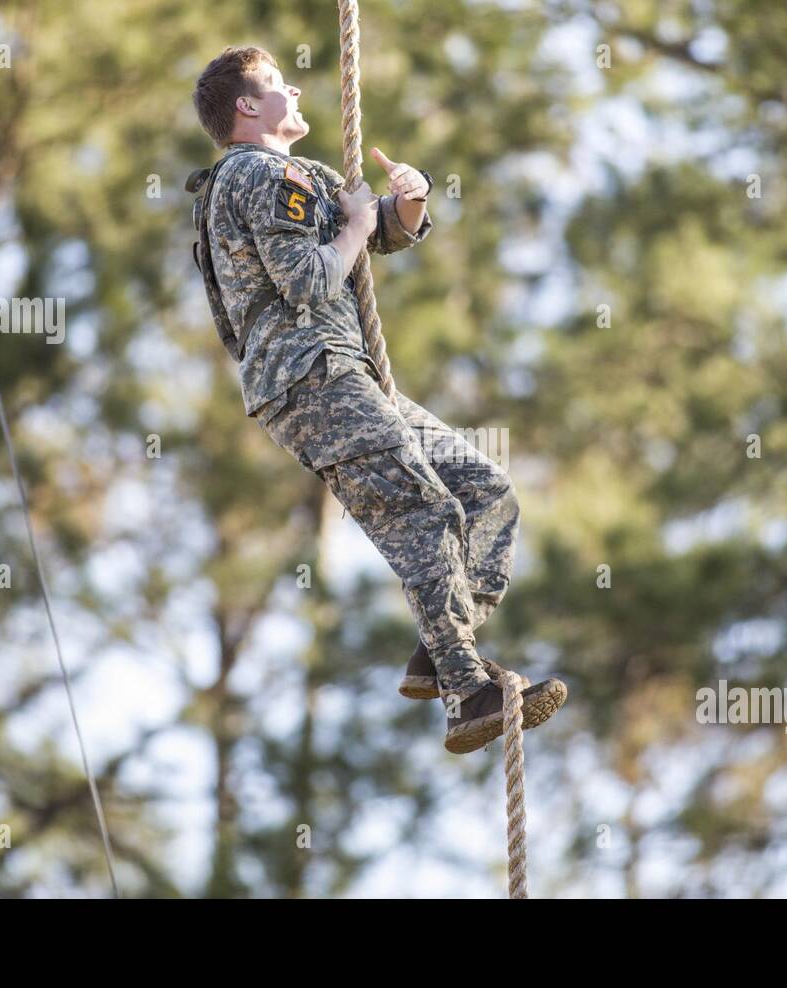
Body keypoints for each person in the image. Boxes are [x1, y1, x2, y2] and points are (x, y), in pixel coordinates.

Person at [190, 46, 565, 753]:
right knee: (421, 509)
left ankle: (444, 640)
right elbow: (308, 279)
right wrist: (358, 228)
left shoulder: (299, 176)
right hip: (312, 375)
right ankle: (466, 693)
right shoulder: (256, 174)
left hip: (345, 371)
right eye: (276, 85)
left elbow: (374, 232)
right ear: (246, 106)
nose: (294, 89)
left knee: (485, 489)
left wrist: (406, 204)